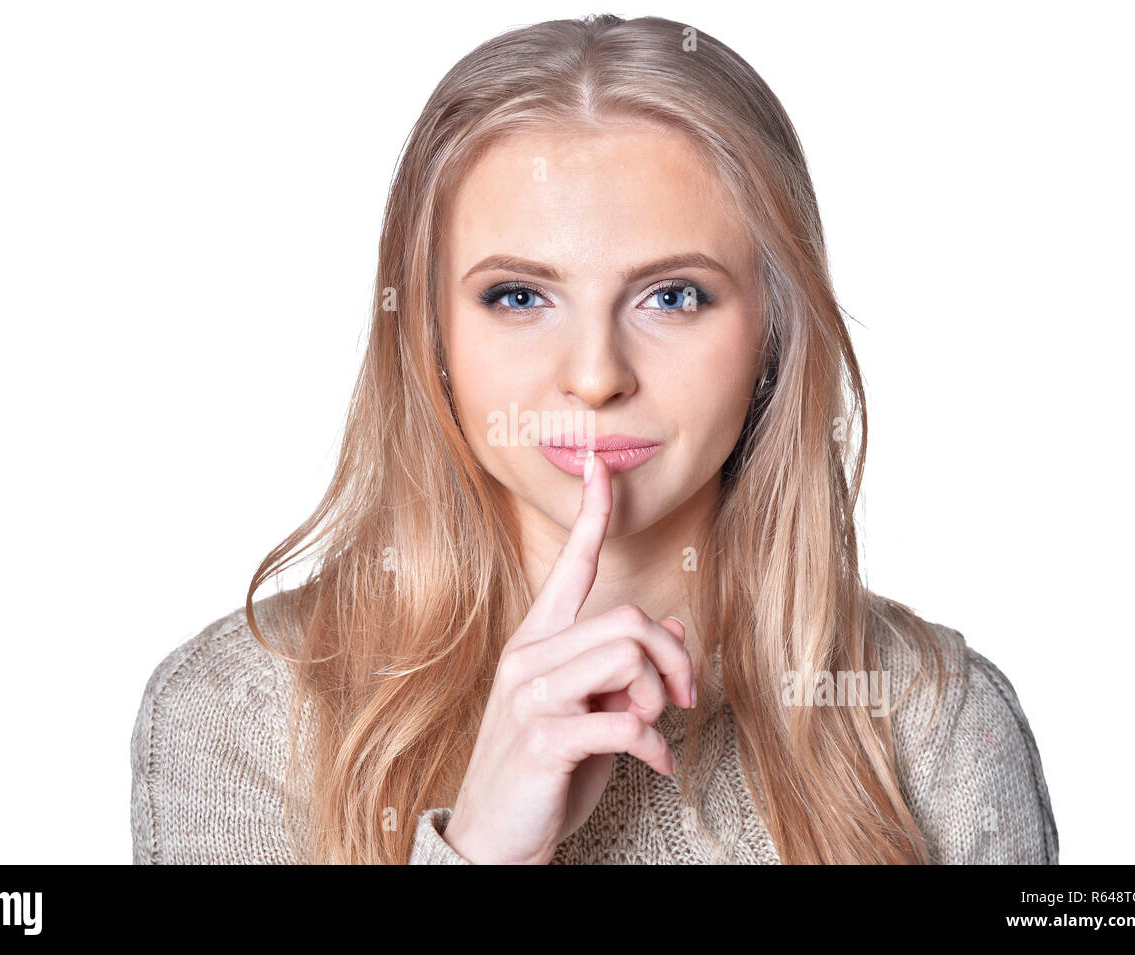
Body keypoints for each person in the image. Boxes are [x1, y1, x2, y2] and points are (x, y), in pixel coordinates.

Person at [131, 13, 1058, 865]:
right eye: (519, 297)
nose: (595, 374)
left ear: (773, 334)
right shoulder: (238, 716)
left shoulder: (937, 725)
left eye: (674, 296)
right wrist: (482, 848)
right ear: (431, 335)